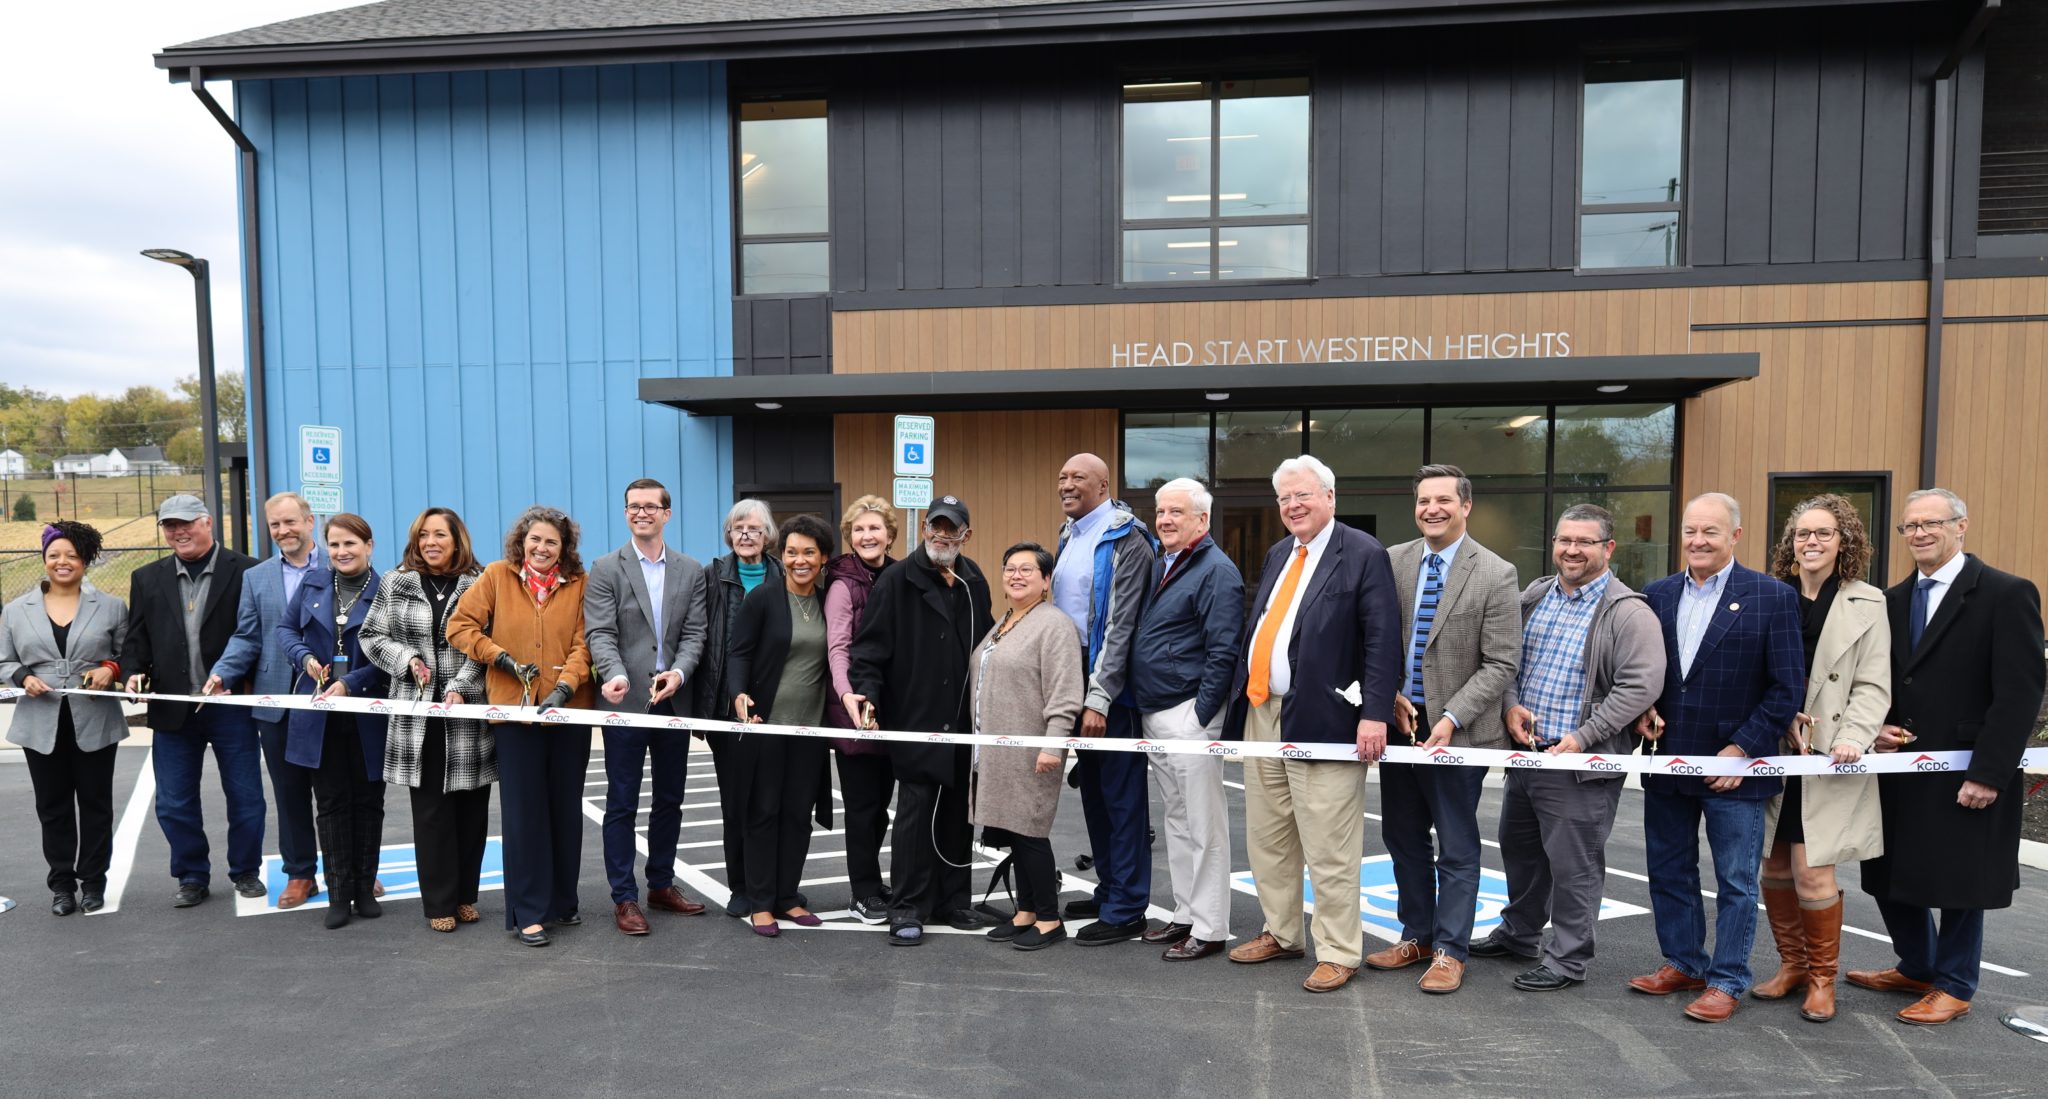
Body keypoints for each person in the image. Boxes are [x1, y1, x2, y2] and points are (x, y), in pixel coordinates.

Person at [1849, 488, 2045, 1026]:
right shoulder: (1890, 600)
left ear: (1962, 526)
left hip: (1966, 768)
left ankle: (1955, 984)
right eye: (1910, 526)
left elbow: (2020, 693)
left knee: (1962, 880)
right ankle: (1917, 965)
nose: (1919, 534)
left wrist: (1990, 772)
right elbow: (1883, 681)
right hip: (1897, 767)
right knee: (1886, 871)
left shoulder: (2006, 594)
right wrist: (1874, 730)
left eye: (1932, 523)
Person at [1225, 456, 1402, 994]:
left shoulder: (1363, 554)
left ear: (1330, 496)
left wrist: (1374, 712)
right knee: (1269, 837)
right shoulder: (1282, 552)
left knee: (1329, 842)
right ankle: (1281, 933)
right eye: (1284, 499)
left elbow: (1381, 638)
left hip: (1324, 719)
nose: (1293, 506)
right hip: (1265, 712)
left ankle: (1338, 950)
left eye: (1303, 495)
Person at [1471, 504, 1664, 991]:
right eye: (1564, 540)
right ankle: (1519, 933)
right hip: (1528, 756)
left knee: (1574, 866)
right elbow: (1507, 661)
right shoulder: (1536, 596)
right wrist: (1510, 705)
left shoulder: (1628, 611)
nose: (1572, 550)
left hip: (1579, 764)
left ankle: (1568, 959)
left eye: (1584, 542)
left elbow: (1639, 687)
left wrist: (1584, 737)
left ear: (1608, 548)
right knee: (1520, 851)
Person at [1630, 493, 1804, 1023]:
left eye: (1710, 531)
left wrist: (1740, 750)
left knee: (1735, 881)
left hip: (1737, 771)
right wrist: (1645, 711)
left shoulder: (1771, 595)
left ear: (1735, 535)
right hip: (1670, 761)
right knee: (1668, 870)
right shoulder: (1655, 595)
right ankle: (1683, 962)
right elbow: (1648, 673)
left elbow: (1786, 687)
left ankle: (1728, 978)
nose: (1698, 541)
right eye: (1690, 531)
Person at [1372, 464, 1520, 993]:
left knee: (1455, 844)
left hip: (1458, 735)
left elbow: (1501, 663)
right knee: (1402, 836)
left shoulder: (1497, 573)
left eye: (1443, 500)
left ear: (1465, 506)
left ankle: (1451, 950)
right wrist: (1388, 694)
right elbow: (1379, 640)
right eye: (1423, 501)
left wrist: (1450, 716)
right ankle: (1417, 934)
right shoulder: (1392, 562)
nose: (1431, 509)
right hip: (1399, 729)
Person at [1746, 495, 1889, 1022]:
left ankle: (1823, 980)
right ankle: (1793, 966)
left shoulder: (1868, 602)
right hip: (1775, 747)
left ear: (1844, 541)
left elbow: (1873, 684)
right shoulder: (1770, 594)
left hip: (1830, 756)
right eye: (1802, 533)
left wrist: (1853, 737)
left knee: (1812, 872)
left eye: (1824, 533)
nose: (1811, 542)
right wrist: (1777, 718)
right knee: (1773, 867)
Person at [848, 494, 993, 945]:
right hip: (915, 720)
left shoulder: (974, 581)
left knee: (956, 815)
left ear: (966, 535)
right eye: (935, 526)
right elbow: (868, 651)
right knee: (915, 817)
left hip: (962, 724)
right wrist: (867, 697)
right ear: (924, 528)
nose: (941, 535)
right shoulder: (896, 581)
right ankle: (907, 907)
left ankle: (953, 901)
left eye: (952, 529)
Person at [446, 506, 595, 948]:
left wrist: (566, 687)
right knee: (524, 811)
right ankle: (529, 912)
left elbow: (585, 643)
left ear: (564, 547)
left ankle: (563, 902)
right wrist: (500, 657)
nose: (542, 548)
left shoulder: (581, 585)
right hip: (514, 711)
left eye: (552, 541)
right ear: (521, 542)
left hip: (568, 712)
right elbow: (459, 626)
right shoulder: (495, 576)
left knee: (564, 808)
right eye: (535, 540)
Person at [122, 494, 265, 908]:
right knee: (173, 802)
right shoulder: (146, 578)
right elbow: (136, 640)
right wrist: (132, 670)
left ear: (208, 523)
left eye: (185, 523)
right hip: (172, 709)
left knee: (246, 796)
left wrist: (236, 679)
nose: (178, 532)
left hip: (230, 707)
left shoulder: (249, 571)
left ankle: (245, 871)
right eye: (169, 525)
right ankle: (191, 875)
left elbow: (255, 637)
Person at [585, 478, 711, 936]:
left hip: (673, 699)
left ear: (667, 513)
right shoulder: (605, 568)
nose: (642, 513)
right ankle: (624, 897)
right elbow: (600, 632)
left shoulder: (690, 570)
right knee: (621, 801)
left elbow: (696, 633)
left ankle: (661, 884)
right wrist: (614, 673)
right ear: (626, 514)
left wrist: (678, 673)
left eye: (650, 506)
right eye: (633, 507)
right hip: (625, 700)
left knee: (670, 800)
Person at [360, 507, 495, 934]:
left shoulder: (480, 582)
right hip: (419, 714)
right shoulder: (395, 582)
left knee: (472, 809)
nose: (430, 542)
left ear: (458, 540)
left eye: (440, 534)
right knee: (432, 812)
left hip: (467, 713)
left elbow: (491, 642)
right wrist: (409, 659)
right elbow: (372, 636)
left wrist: (461, 683)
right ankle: (438, 901)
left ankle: (465, 896)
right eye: (423, 535)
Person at [1129, 478, 1244, 961]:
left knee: (1203, 823)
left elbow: (1224, 651)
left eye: (1176, 512)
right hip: (1156, 709)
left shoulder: (1215, 570)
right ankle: (1185, 914)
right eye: (1160, 512)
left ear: (1202, 519)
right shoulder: (1164, 562)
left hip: (1189, 711)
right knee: (1177, 820)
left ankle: (1212, 926)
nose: (1165, 520)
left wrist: (1201, 715)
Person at [1051, 452, 1157, 946]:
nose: (1067, 485)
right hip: (1074, 686)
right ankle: (1110, 887)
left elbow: (1121, 626)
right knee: (1093, 793)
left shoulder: (1126, 538)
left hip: (1110, 693)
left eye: (1078, 478)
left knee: (1122, 799)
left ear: (1104, 484)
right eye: (1063, 478)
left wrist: (1099, 697)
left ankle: (1128, 906)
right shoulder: (1069, 533)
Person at [204, 492, 326, 908]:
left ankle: (350, 868)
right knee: (290, 793)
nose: (283, 531)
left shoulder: (341, 564)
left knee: (335, 792)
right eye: (275, 525)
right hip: (275, 703)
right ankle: (300, 874)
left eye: (290, 522)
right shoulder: (257, 578)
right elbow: (247, 636)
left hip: (332, 699)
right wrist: (223, 672)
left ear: (310, 522)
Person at [1, 522, 127, 916]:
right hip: (40, 721)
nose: (62, 562)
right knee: (52, 807)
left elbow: (130, 655)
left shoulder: (111, 607)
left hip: (95, 720)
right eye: (54, 554)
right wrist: (24, 677)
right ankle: (61, 885)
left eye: (72, 555)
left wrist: (111, 668)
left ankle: (93, 882)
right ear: (43, 559)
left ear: (86, 560)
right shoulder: (15, 610)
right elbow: (4, 661)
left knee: (96, 805)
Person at [725, 514, 838, 937]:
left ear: (823, 557)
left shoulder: (829, 601)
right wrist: (738, 694)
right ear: (782, 555)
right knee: (763, 813)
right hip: (767, 724)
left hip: (810, 730)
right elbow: (739, 653)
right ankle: (760, 901)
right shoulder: (763, 599)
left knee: (796, 815)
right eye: (791, 552)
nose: (799, 560)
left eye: (809, 552)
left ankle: (788, 896)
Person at [276, 513, 390, 930]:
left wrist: (351, 684)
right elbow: (286, 630)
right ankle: (339, 893)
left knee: (368, 804)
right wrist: (304, 658)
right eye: (336, 545)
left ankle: (364, 887)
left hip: (368, 716)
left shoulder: (388, 590)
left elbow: (389, 658)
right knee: (331, 805)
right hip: (319, 713)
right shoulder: (313, 584)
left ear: (369, 546)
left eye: (351, 544)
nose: (343, 552)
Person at [970, 543, 1085, 951]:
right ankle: (1026, 911)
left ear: (1046, 580)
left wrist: (1053, 745)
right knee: (1015, 833)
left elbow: (1066, 693)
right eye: (1010, 569)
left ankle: (1050, 919)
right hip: (997, 750)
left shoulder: (1053, 624)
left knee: (1032, 831)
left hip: (1033, 748)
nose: (1016, 575)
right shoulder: (1004, 621)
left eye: (1027, 570)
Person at [695, 498, 782, 918]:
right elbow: (699, 637)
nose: (746, 535)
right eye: (738, 528)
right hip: (726, 708)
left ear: (768, 536)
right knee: (737, 801)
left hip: (778, 705)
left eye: (754, 528)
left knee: (771, 801)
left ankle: (775, 884)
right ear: (729, 535)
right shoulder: (712, 577)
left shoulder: (784, 574)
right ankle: (741, 886)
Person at [826, 495, 899, 923]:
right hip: (853, 707)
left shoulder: (900, 575)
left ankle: (870, 880)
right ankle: (863, 891)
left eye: (874, 528)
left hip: (892, 709)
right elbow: (837, 648)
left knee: (882, 804)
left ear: (890, 534)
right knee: (862, 805)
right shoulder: (842, 582)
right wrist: (847, 696)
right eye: (858, 529)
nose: (866, 536)